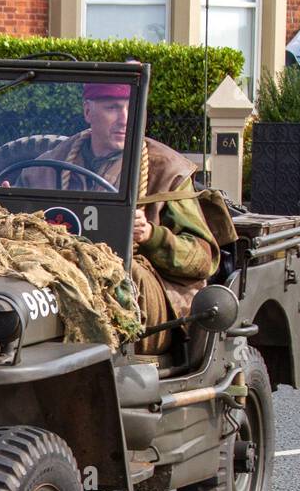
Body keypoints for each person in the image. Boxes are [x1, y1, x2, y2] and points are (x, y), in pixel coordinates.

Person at [17, 83, 221, 355]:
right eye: (112, 108)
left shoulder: (168, 171)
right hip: (56, 282)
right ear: (88, 111)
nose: (125, 118)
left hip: (147, 302)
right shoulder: (48, 166)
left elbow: (203, 260)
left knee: (124, 275)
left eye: (132, 108)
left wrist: (150, 235)